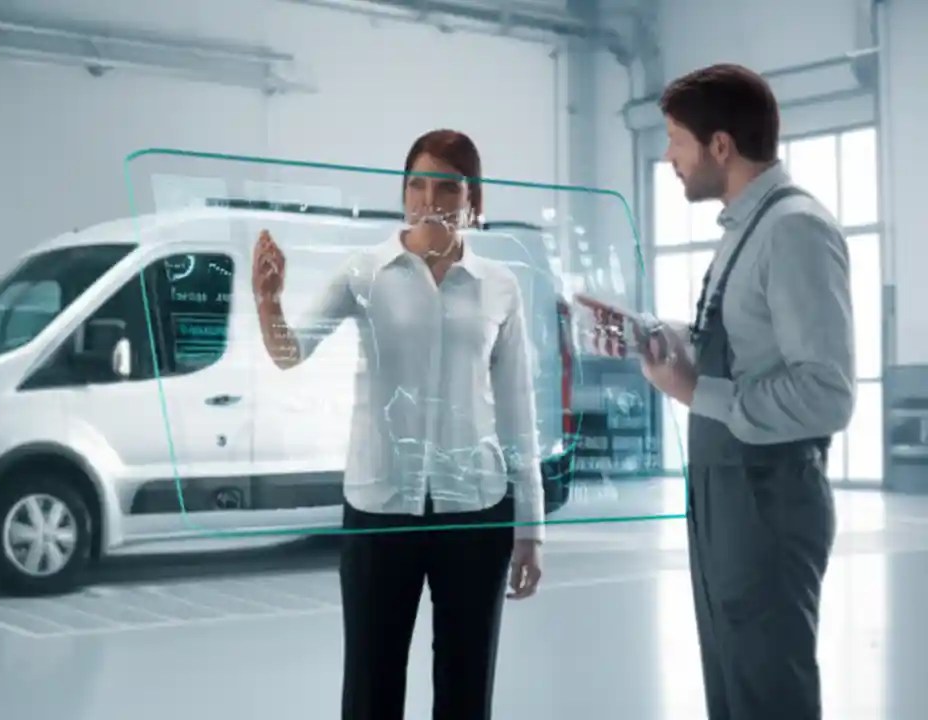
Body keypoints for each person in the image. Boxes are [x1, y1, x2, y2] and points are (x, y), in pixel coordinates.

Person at [583, 64, 853, 719]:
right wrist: (649, 333)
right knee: (732, 686)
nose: (670, 156)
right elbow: (739, 342)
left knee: (767, 692)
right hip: (728, 495)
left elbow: (827, 394)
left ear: (721, 146)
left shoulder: (794, 229)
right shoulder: (746, 230)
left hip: (768, 497)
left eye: (677, 140)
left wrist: (694, 392)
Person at [251, 129, 545, 720]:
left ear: (474, 202)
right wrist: (268, 303)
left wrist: (530, 528)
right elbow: (291, 352)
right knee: (371, 683)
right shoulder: (365, 272)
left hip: (475, 508)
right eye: (417, 183)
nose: (428, 197)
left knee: (466, 686)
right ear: (403, 193)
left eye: (446, 185)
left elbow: (518, 408)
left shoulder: (500, 286)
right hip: (381, 506)